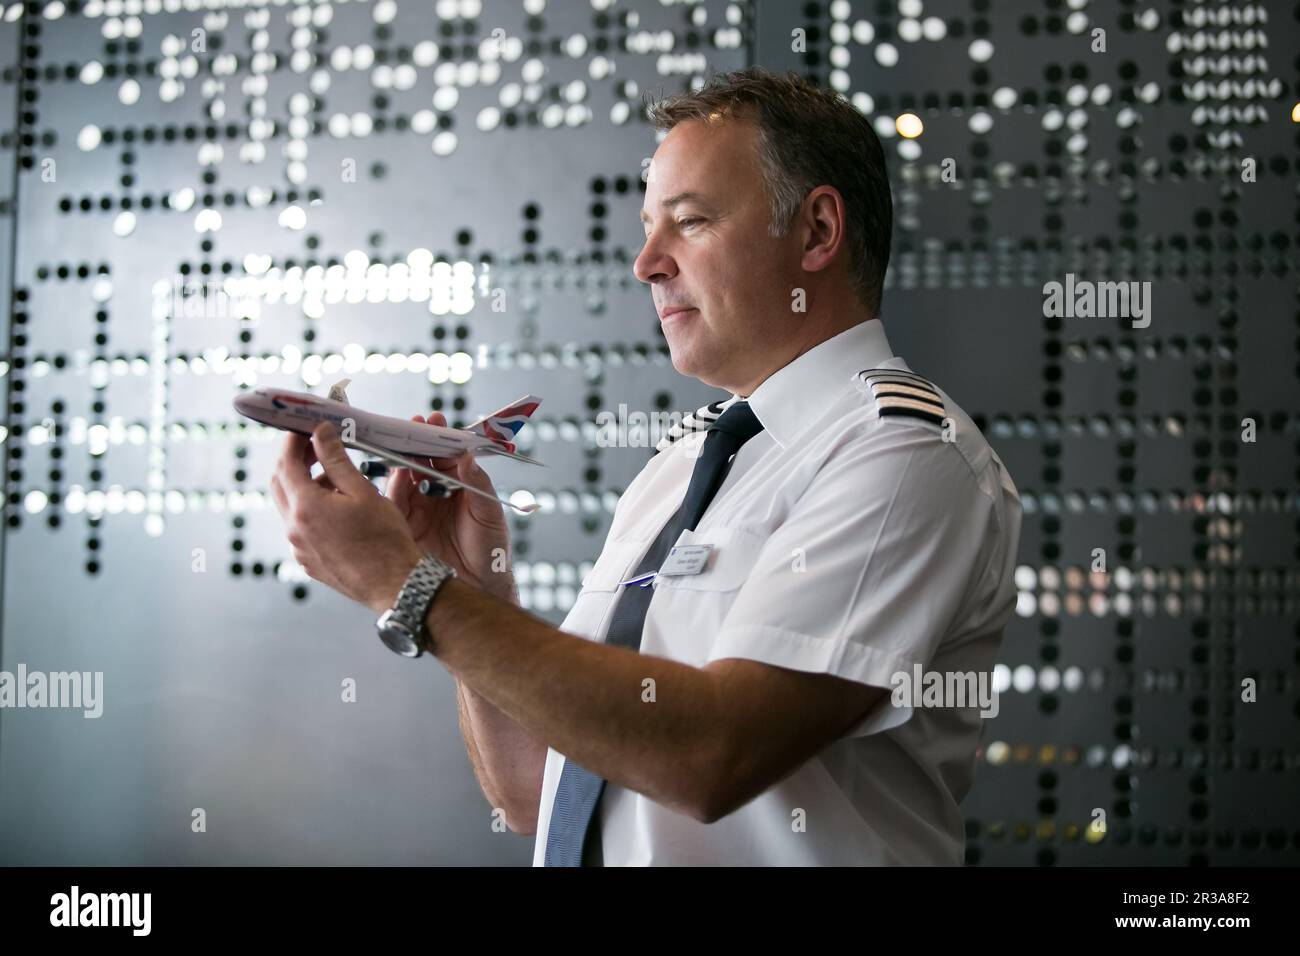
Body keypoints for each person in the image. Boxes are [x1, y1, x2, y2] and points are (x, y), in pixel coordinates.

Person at [270, 67, 1022, 866]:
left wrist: (409, 591)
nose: (646, 264)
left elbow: (711, 756)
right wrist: (471, 586)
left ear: (816, 232)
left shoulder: (903, 454)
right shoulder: (682, 465)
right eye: (647, 227)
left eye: (690, 221)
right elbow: (534, 792)